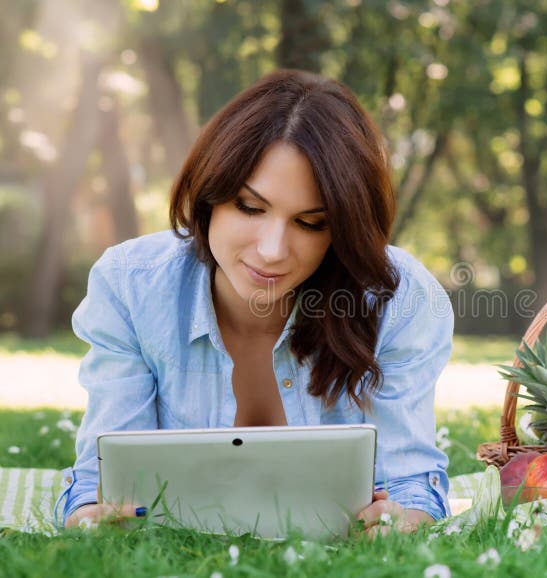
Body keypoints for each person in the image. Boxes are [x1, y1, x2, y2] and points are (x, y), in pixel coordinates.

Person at [55, 69, 454, 537]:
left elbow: (411, 483)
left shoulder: (400, 300)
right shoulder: (130, 285)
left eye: (310, 223)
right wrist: (90, 511)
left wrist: (405, 518)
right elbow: (104, 475)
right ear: (209, 196)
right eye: (250, 207)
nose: (272, 250)